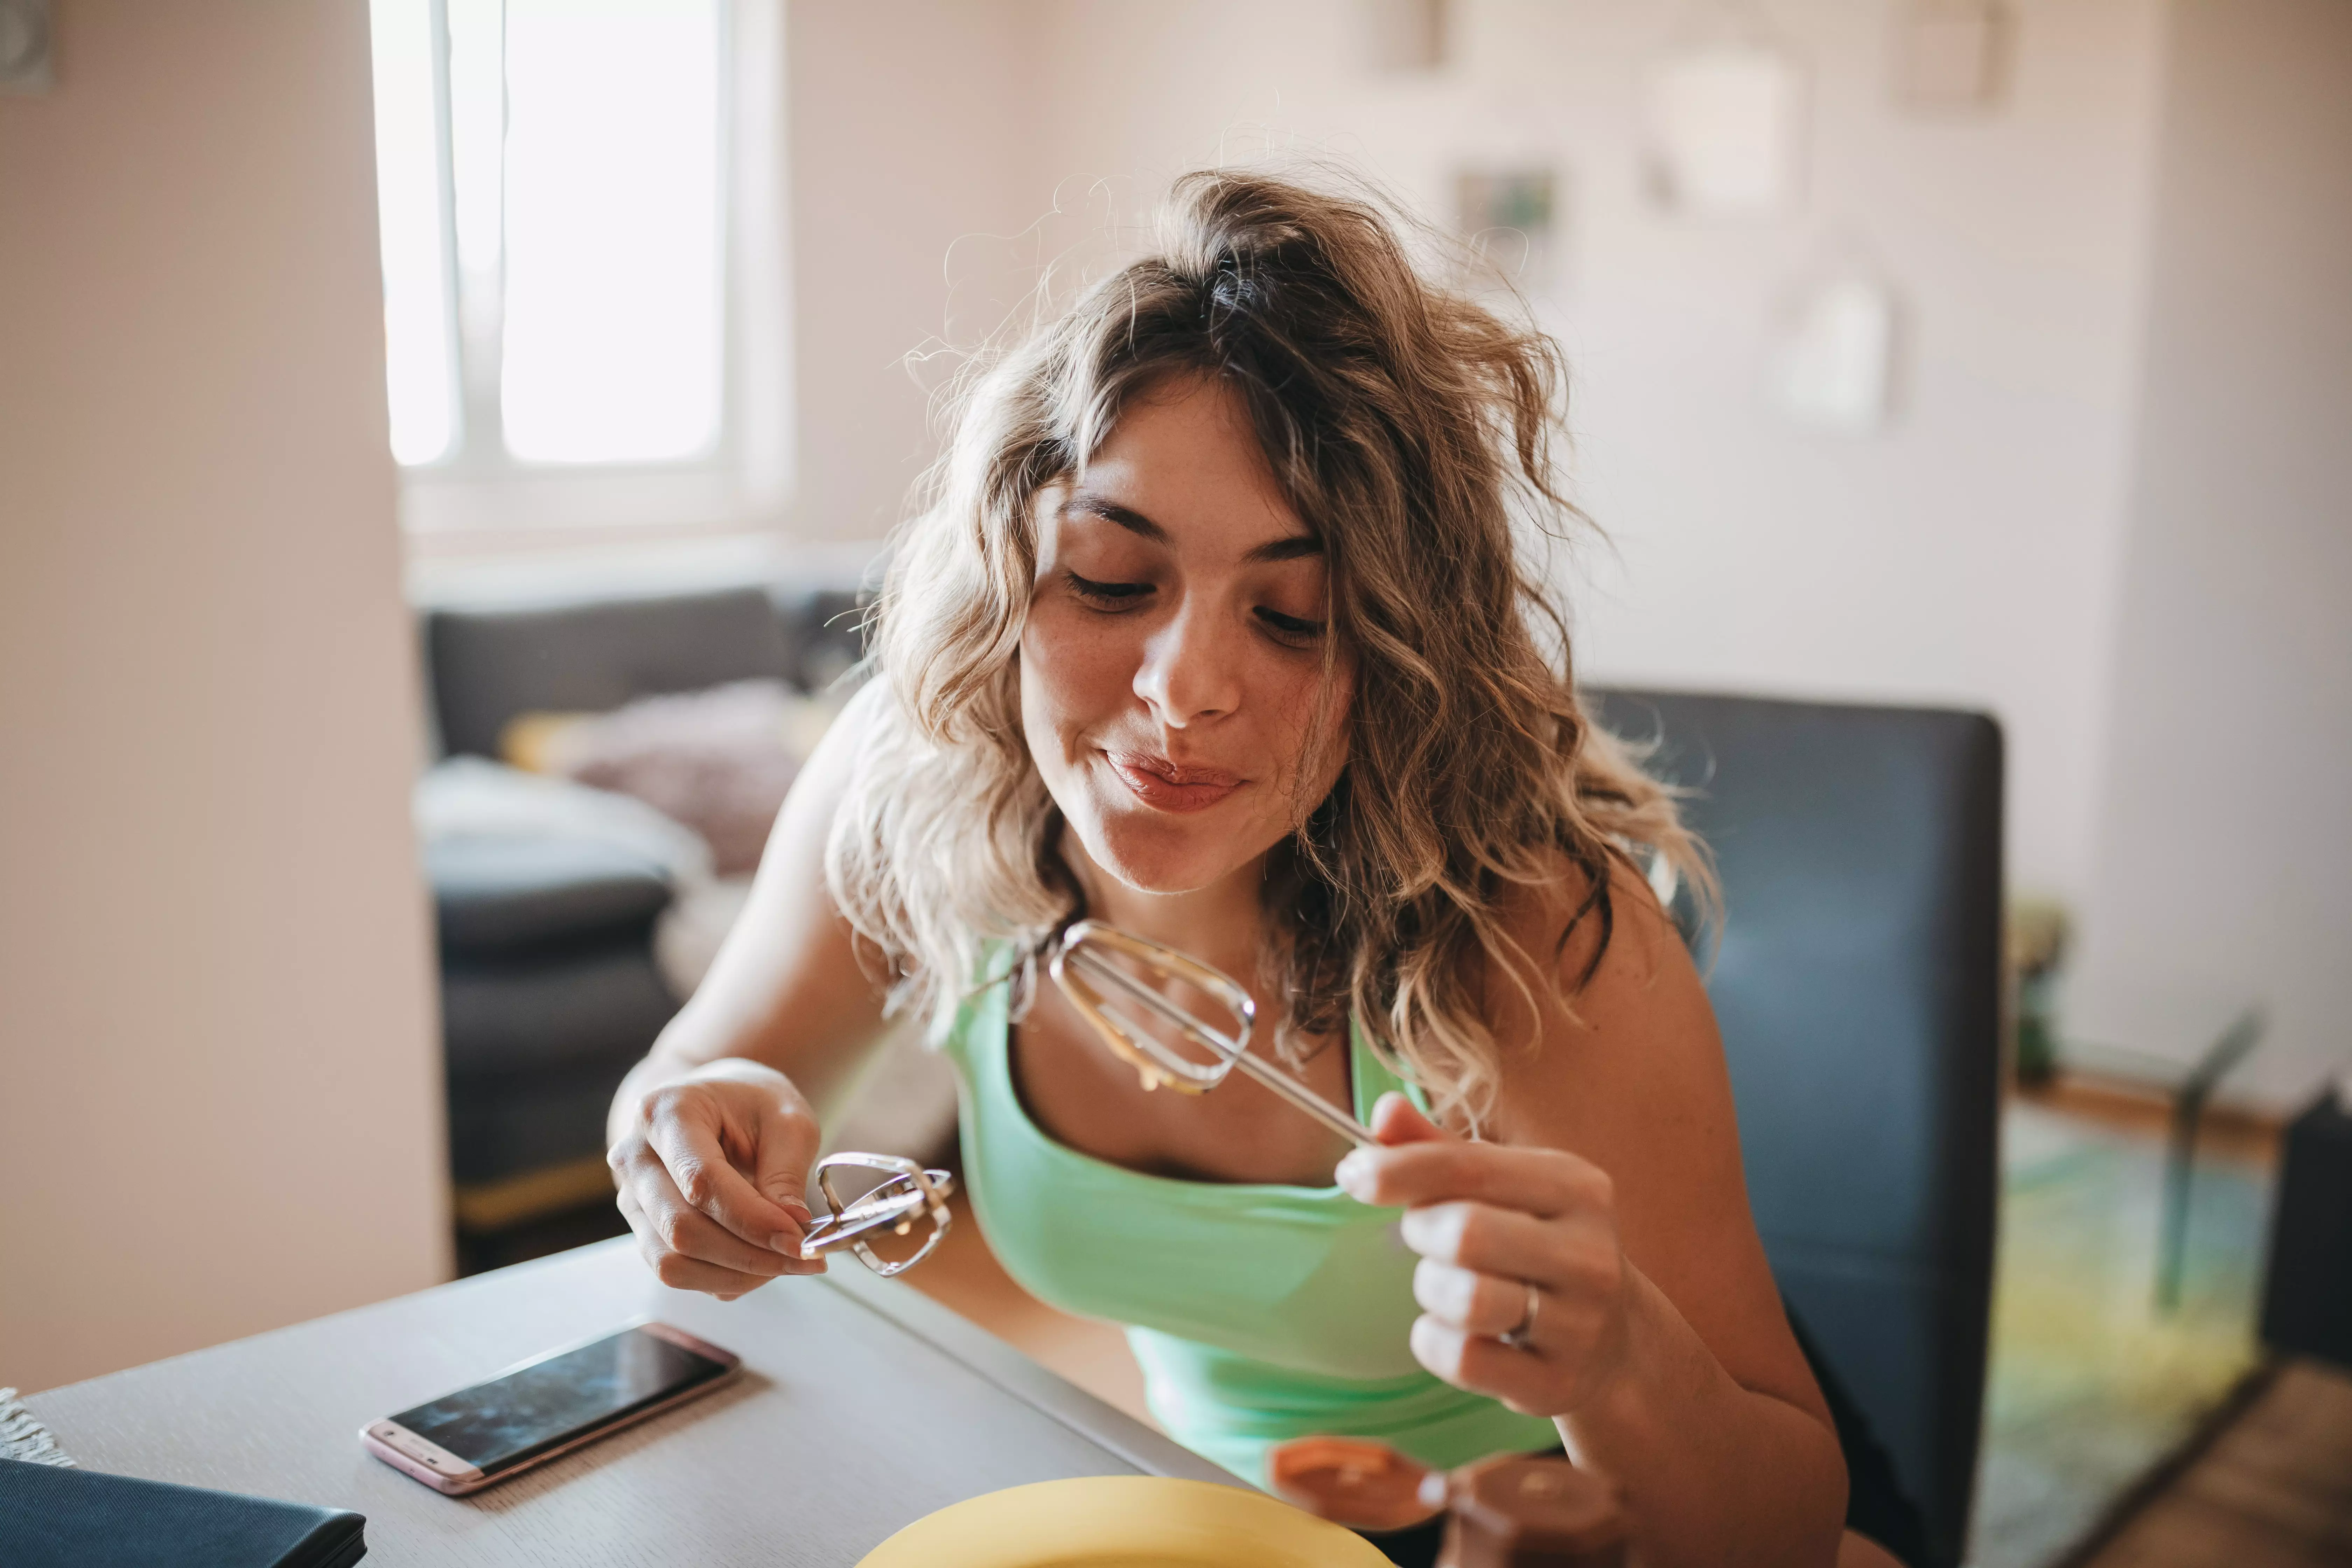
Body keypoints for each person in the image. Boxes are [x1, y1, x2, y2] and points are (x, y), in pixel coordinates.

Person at [606, 170, 1909, 1568]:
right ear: (1006, 572)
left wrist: (1620, 1364)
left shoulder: (1527, 929)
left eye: (1293, 616)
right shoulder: (915, 780)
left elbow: (1782, 1527)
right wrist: (675, 1144)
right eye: (1111, 578)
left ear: (1402, 657)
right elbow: (682, 1093)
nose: (1186, 691)